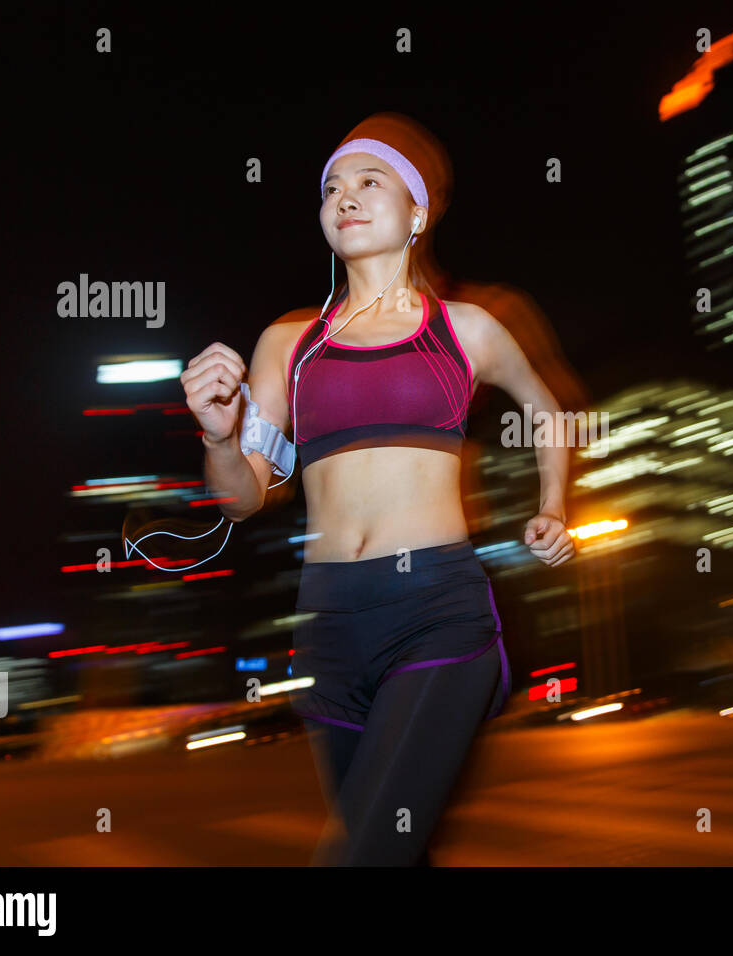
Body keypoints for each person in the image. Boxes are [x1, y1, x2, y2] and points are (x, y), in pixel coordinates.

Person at [179, 114, 574, 865]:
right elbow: (243, 497)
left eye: (369, 182)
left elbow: (544, 408)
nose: (345, 197)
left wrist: (552, 503)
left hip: (437, 617)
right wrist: (218, 435)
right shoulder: (287, 344)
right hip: (326, 626)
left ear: (418, 213)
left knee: (361, 856)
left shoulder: (465, 328)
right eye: (332, 188)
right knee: (396, 848)